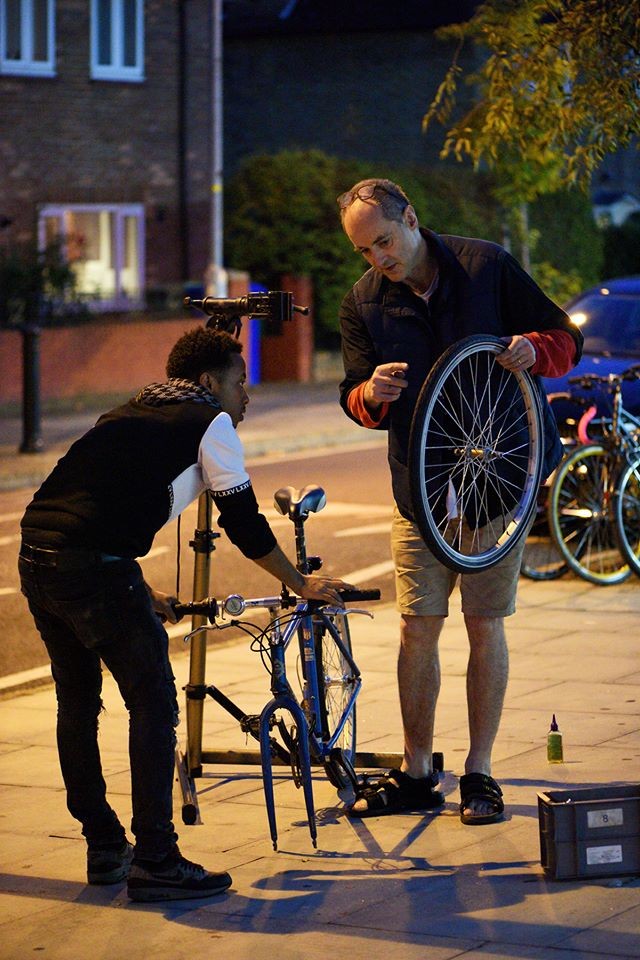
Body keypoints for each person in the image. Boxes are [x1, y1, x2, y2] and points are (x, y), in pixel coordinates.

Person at [18, 326, 350, 902]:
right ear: (207, 382)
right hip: (93, 570)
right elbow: (244, 523)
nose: (246, 396)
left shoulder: (129, 411)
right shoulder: (209, 423)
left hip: (38, 557)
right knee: (154, 703)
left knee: (77, 701)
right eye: (239, 382)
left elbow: (100, 507)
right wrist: (300, 583)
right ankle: (157, 860)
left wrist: (142, 592)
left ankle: (105, 846)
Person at [336, 178, 583, 824]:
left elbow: (564, 338)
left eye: (384, 241)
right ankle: (418, 772)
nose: (379, 259)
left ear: (411, 219)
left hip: (498, 480)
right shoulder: (363, 301)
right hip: (420, 488)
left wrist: (534, 349)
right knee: (416, 625)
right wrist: (371, 394)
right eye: (365, 251)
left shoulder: (486, 266)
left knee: (483, 622)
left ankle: (480, 770)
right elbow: (352, 396)